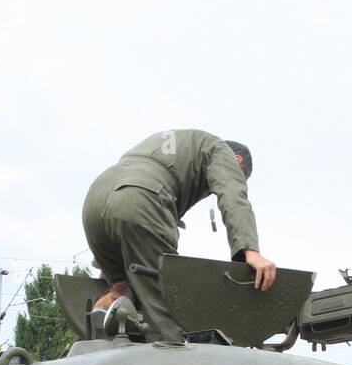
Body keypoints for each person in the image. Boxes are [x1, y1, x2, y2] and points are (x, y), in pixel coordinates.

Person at [82, 129, 276, 340]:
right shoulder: (219, 150)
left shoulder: (175, 145)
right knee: (167, 316)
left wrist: (110, 269)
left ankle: (115, 294)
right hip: (140, 201)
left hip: (94, 201)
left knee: (129, 284)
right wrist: (250, 250)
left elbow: (125, 195)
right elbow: (233, 195)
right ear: (236, 160)